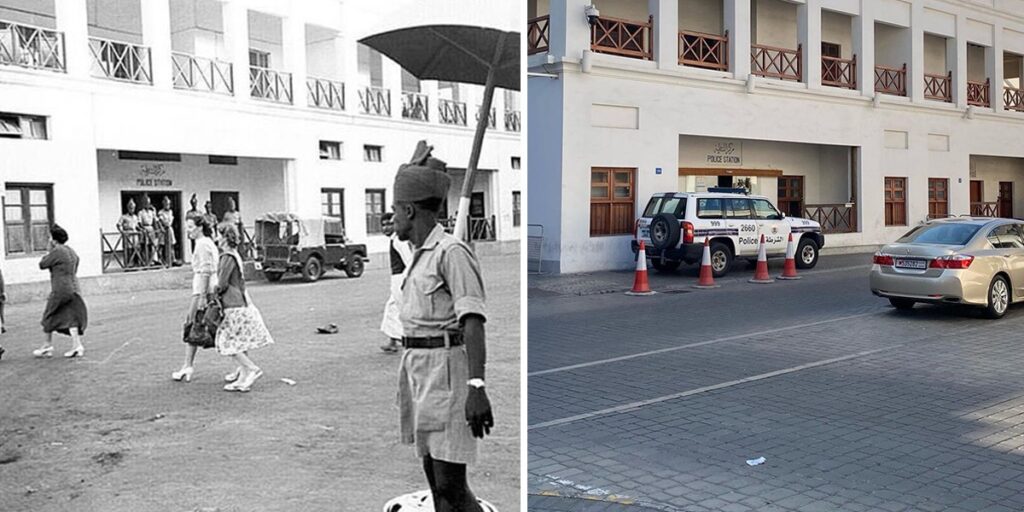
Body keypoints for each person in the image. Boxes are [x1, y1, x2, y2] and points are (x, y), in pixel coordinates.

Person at [393, 141, 493, 511]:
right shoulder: (420, 256)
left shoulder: (452, 252)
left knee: (452, 488)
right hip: (420, 374)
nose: (392, 219)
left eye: (394, 211)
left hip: (448, 377)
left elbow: (473, 321)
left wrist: (477, 387)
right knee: (436, 486)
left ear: (408, 209)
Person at [214, 223, 273, 392]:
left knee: (227, 342)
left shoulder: (226, 257)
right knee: (239, 341)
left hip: (232, 303)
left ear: (225, 238)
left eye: (219, 235)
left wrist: (214, 290)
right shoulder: (235, 255)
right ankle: (243, 377)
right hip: (242, 301)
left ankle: (252, 368)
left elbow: (222, 283)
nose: (217, 238)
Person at [171, 216, 218, 382]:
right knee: (196, 325)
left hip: (203, 290)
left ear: (199, 227)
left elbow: (206, 270)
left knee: (195, 324)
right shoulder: (204, 243)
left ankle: (187, 366)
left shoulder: (203, 244)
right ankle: (187, 365)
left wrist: (203, 296)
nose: (187, 230)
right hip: (202, 289)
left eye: (190, 227)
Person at [34, 224, 87, 359]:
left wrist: (49, 250)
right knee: (72, 317)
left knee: (48, 315)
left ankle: (47, 345)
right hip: (74, 288)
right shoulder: (71, 251)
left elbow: (42, 264)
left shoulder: (57, 251)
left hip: (60, 289)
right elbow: (76, 265)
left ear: (54, 240)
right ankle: (77, 345)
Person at [379, 212, 412, 353]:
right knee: (391, 309)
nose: (386, 228)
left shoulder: (399, 240)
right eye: (384, 225)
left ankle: (405, 340)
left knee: (400, 309)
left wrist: (407, 281)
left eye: (390, 224)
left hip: (401, 279)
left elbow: (409, 261)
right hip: (397, 279)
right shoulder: (394, 239)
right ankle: (393, 341)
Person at [138, 194, 158, 265]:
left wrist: (157, 230)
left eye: (148, 203)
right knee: (145, 246)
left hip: (151, 229)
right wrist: (143, 229)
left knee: (152, 246)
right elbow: (139, 222)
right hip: (145, 229)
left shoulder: (152, 212)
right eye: (146, 203)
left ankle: (152, 260)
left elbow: (155, 221)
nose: (147, 204)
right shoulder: (140, 212)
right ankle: (145, 261)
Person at [157, 196, 176, 265]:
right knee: (161, 245)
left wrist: (168, 224)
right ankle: (160, 259)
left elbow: (171, 220)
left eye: (168, 204)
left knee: (171, 244)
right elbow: (160, 220)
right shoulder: (160, 212)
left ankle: (173, 259)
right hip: (163, 229)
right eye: (165, 204)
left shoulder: (171, 212)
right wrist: (162, 227)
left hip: (169, 228)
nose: (167, 205)